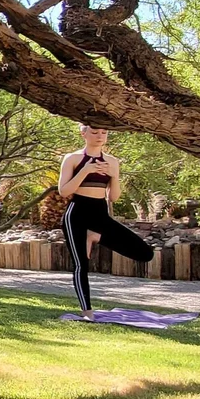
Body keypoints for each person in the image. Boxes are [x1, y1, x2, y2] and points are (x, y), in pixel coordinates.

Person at [58, 125, 154, 320]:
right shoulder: (73, 158)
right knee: (80, 265)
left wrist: (114, 175)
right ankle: (87, 312)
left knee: (145, 253)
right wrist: (85, 171)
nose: (100, 136)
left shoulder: (112, 161)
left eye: (104, 132)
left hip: (100, 213)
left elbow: (114, 197)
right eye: (94, 132)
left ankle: (95, 235)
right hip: (77, 213)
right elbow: (64, 191)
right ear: (83, 133)